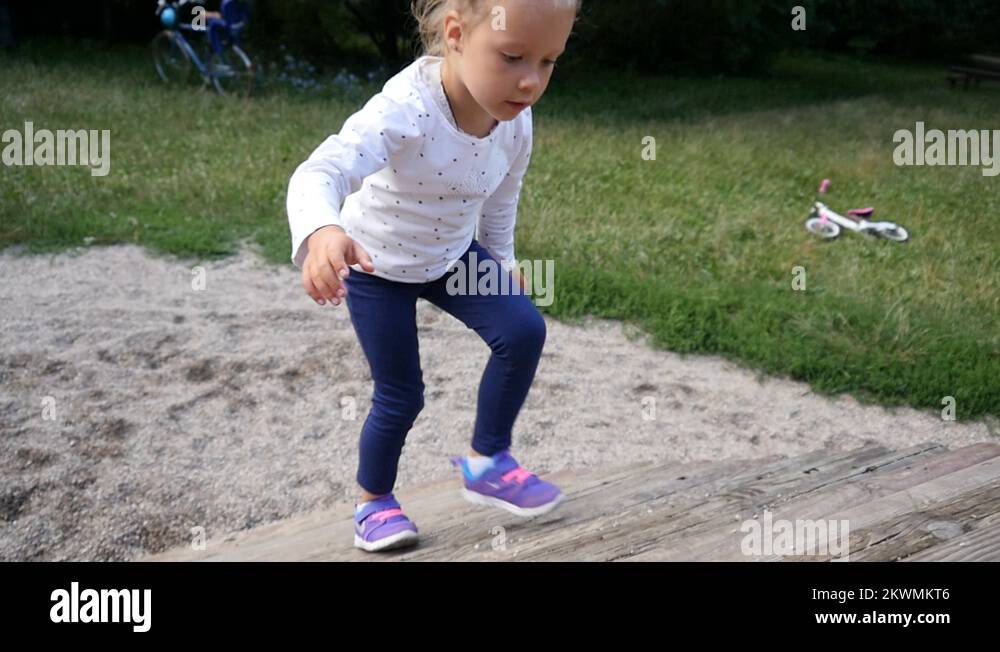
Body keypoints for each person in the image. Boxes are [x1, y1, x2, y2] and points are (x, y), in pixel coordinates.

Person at [286, 0, 580, 552]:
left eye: (548, 62)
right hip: (377, 265)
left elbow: (500, 198)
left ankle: (487, 460)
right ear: (456, 34)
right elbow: (320, 170)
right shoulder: (407, 108)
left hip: (450, 257)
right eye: (514, 56)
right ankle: (373, 503)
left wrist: (502, 261)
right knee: (402, 395)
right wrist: (323, 231)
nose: (530, 81)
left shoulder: (514, 122)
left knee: (522, 331)